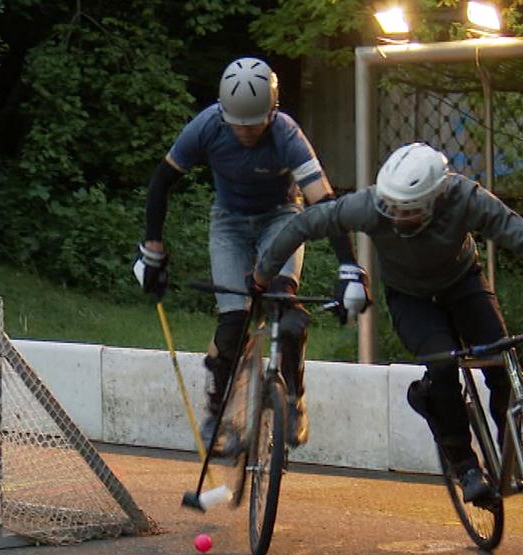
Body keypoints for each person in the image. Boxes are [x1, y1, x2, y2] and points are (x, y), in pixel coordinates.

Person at [252, 141, 523, 506]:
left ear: (434, 200)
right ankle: (465, 466)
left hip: (464, 284)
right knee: (443, 364)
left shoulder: (465, 198)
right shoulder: (371, 206)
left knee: (501, 362)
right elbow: (304, 224)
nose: (396, 217)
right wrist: (261, 275)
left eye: (407, 211)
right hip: (410, 299)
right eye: (391, 208)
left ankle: (518, 452)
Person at [132, 56, 370, 457]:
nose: (244, 130)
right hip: (228, 223)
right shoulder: (207, 126)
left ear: (272, 113)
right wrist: (152, 249)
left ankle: (293, 396)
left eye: (253, 123)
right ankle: (219, 413)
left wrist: (349, 267)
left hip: (281, 217)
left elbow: (324, 203)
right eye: (236, 123)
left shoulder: (287, 135)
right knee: (232, 325)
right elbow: (161, 182)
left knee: (288, 313)